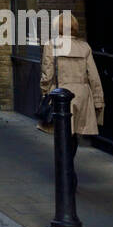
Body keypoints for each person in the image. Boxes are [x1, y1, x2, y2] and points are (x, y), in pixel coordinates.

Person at [38, 13, 105, 174]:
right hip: (81, 95)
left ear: (57, 27)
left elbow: (47, 75)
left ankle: (67, 172)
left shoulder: (51, 45)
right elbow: (94, 76)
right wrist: (98, 101)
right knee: (73, 134)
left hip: (60, 93)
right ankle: (69, 169)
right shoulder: (84, 47)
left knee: (62, 133)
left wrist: (44, 93)